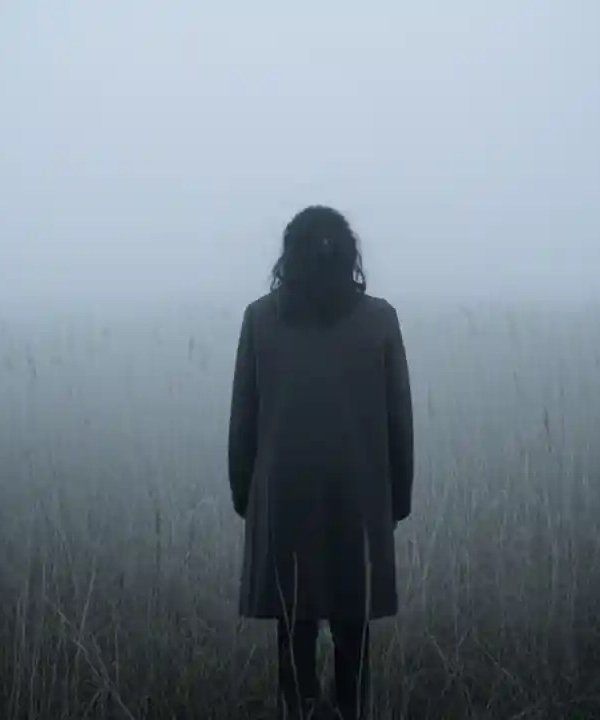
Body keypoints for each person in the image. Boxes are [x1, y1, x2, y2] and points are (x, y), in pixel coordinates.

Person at [228, 206, 415, 720]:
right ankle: (350, 710)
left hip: (283, 497)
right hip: (361, 497)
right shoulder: (380, 319)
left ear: (288, 255)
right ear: (349, 253)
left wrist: (245, 495)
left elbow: (243, 420)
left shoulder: (260, 318)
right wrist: (398, 499)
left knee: (295, 623)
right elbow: (399, 418)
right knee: (353, 621)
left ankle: (301, 710)